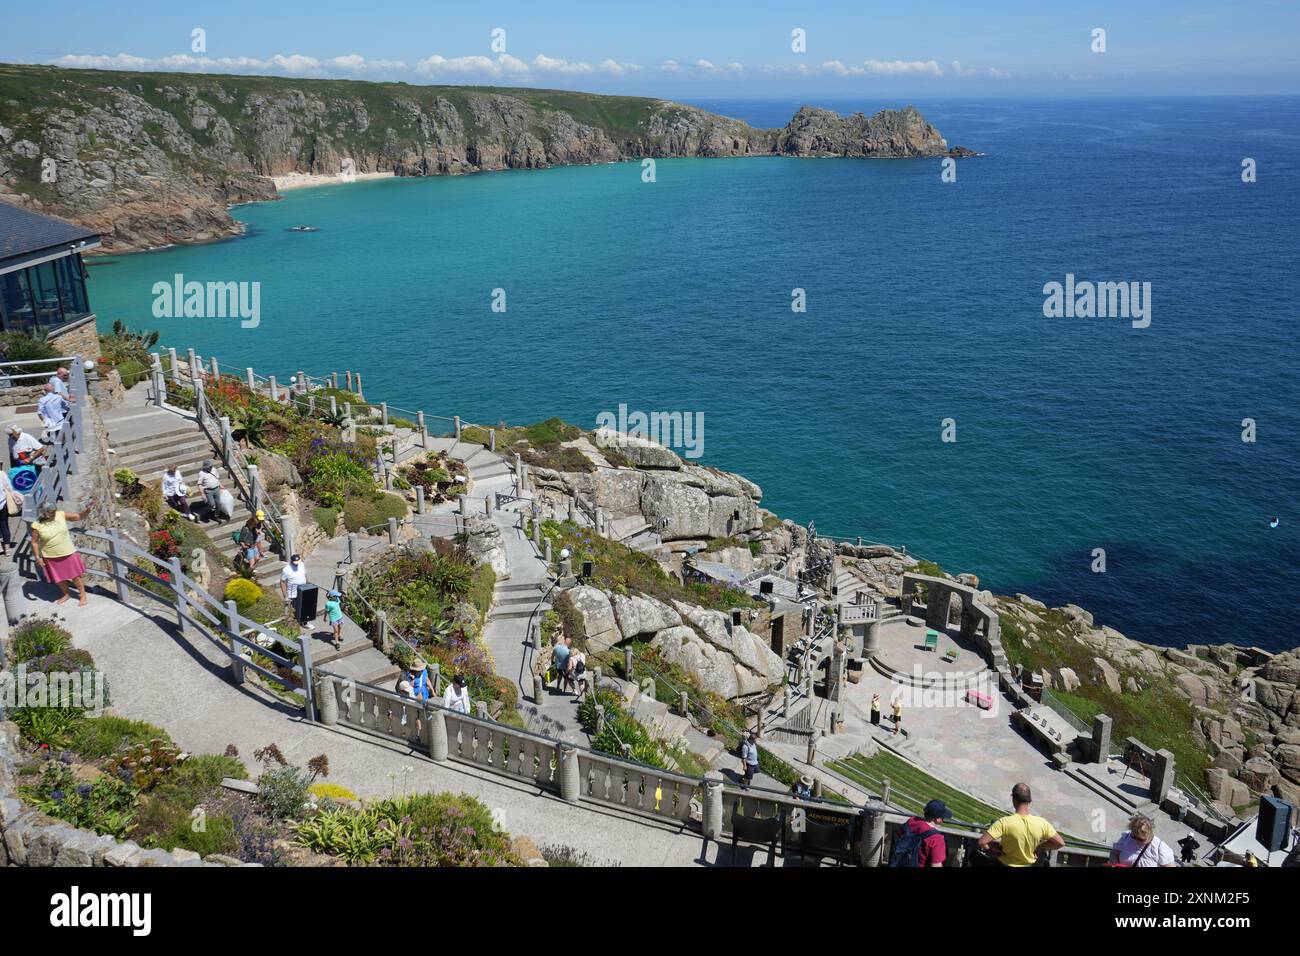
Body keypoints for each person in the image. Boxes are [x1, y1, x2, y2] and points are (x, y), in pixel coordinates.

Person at [978, 783, 1065, 867]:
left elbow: (982, 842)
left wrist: (996, 852)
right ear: (1030, 800)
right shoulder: (1042, 823)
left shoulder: (1004, 822)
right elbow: (1060, 843)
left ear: (1013, 799)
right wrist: (1040, 846)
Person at [29, 499, 95, 606]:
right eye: (52, 511)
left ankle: (83, 595)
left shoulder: (60, 515)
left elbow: (78, 516)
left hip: (68, 552)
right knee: (59, 578)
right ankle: (66, 594)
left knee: (75, 576)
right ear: (45, 513)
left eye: (55, 510)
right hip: (50, 555)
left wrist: (87, 511)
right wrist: (38, 557)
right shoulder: (37, 525)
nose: (55, 512)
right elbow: (34, 542)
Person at [891, 799, 952, 867]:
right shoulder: (937, 839)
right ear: (938, 819)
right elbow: (936, 865)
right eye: (943, 817)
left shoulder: (913, 820)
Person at [1109, 813, 1177, 867]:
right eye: (1134, 837)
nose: (1137, 841)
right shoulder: (1126, 837)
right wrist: (1114, 864)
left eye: (1141, 839)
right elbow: (1114, 853)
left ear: (1150, 833)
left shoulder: (1161, 848)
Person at [0, 466, 19, 556]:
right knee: (4, 526)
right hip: (3, 504)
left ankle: (0, 547)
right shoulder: (2, 474)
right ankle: (7, 550)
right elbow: (10, 487)